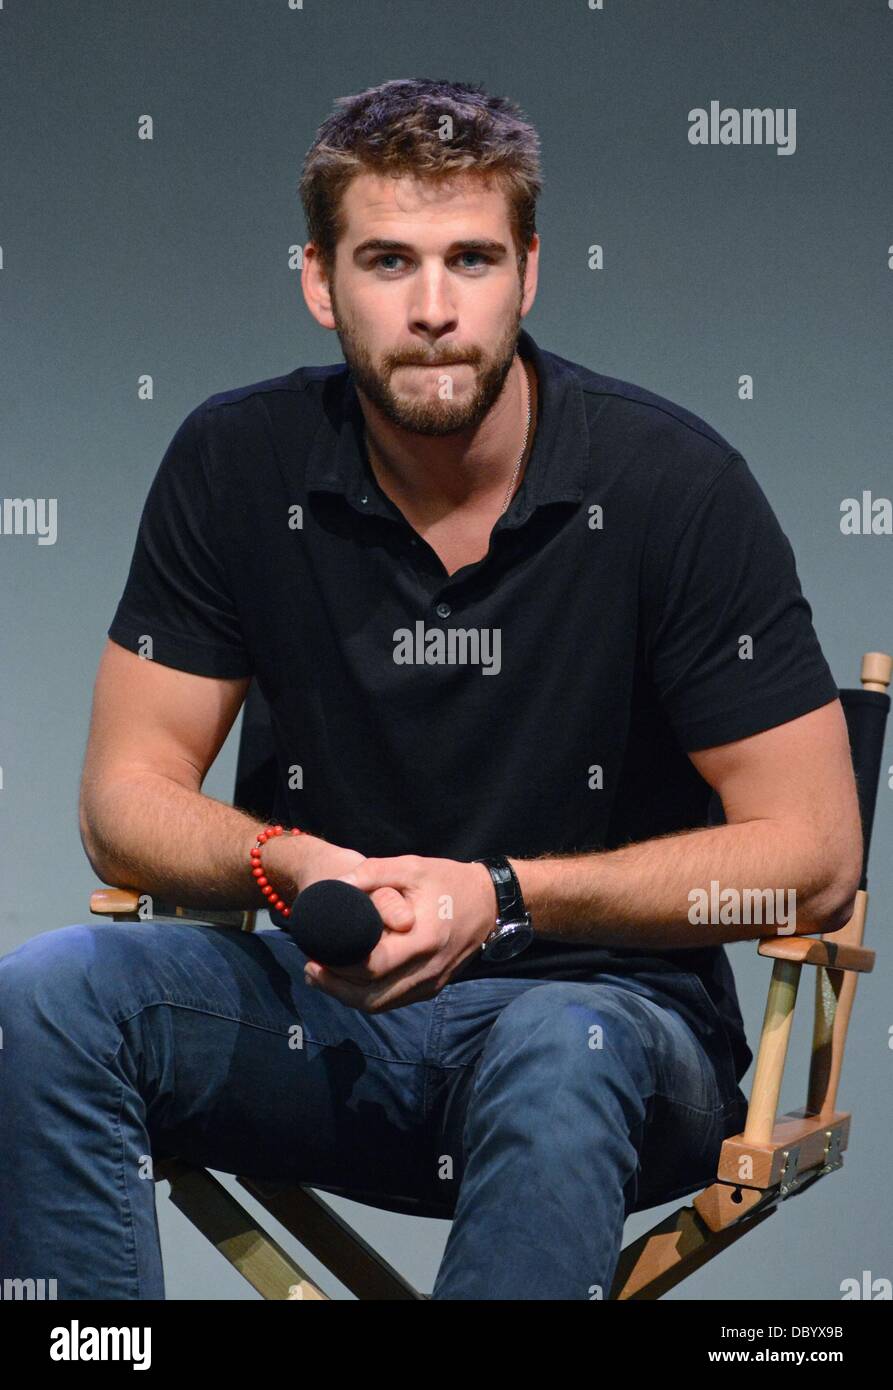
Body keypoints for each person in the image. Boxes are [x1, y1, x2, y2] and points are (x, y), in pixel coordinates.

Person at [0, 78, 862, 1301]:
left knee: (565, 1045)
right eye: (386, 261)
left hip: (605, 1023)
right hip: (322, 1015)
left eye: (470, 258)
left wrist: (501, 897)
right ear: (318, 280)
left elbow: (816, 855)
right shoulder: (233, 462)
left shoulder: (673, 484)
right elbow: (123, 798)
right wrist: (293, 864)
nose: (432, 308)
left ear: (528, 273)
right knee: (50, 995)